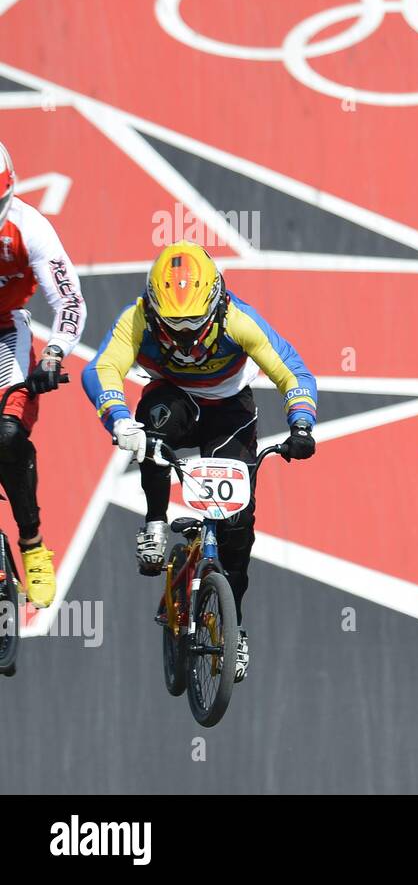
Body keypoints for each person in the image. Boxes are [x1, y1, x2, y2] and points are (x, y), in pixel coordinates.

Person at [82, 241, 317, 680]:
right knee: (150, 427)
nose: (186, 335)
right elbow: (100, 369)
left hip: (230, 412)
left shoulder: (239, 320)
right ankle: (154, 522)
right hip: (175, 401)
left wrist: (301, 425)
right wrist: (118, 420)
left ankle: (235, 627)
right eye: (173, 324)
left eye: (194, 322)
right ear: (153, 309)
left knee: (238, 529)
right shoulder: (135, 320)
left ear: (215, 303)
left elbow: (292, 371)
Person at [0, 140, 87, 608]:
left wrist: (54, 354)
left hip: (4, 333)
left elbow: (69, 300)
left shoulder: (30, 229)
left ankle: (31, 543)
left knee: (8, 436)